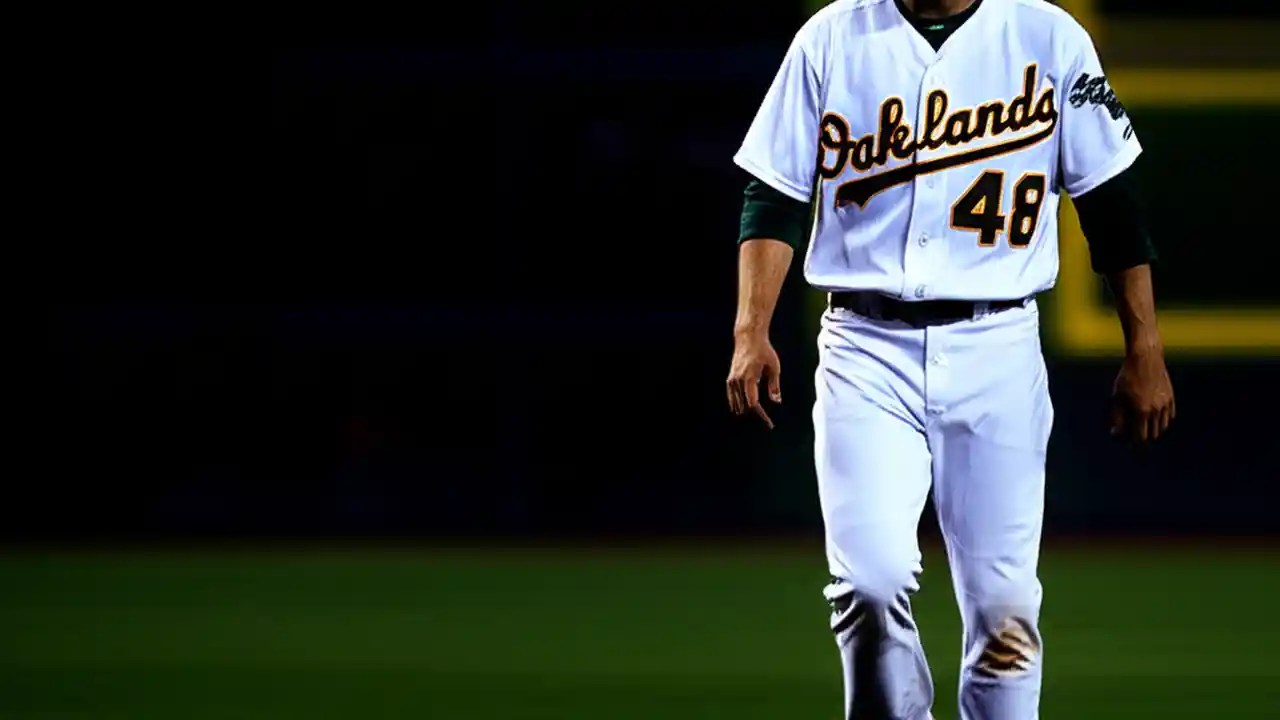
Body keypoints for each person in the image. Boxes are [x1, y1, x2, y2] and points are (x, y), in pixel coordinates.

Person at [724, 1, 1176, 718]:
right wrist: (752, 330)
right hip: (865, 346)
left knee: (1005, 609)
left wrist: (1144, 348)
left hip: (998, 344)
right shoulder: (833, 35)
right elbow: (774, 192)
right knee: (868, 586)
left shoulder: (1048, 36)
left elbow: (1113, 205)